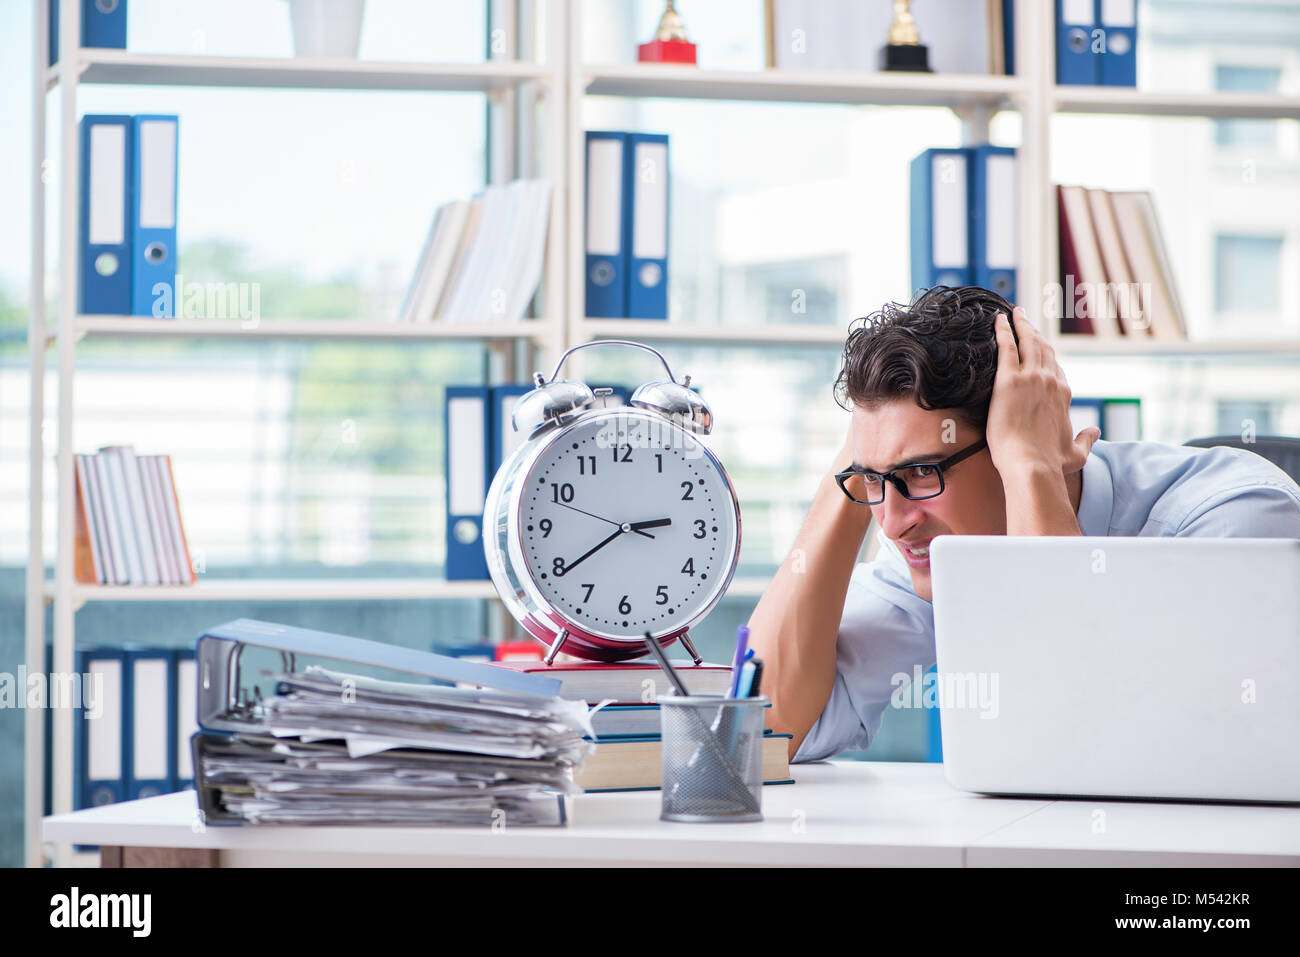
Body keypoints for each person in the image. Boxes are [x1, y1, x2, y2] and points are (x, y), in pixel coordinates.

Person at [748, 285, 1300, 763]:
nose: (891, 526)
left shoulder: (1239, 515)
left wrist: (1033, 470)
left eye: (919, 472)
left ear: (1016, 437)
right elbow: (764, 731)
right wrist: (857, 465)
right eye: (874, 482)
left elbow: (1095, 733)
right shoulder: (934, 551)